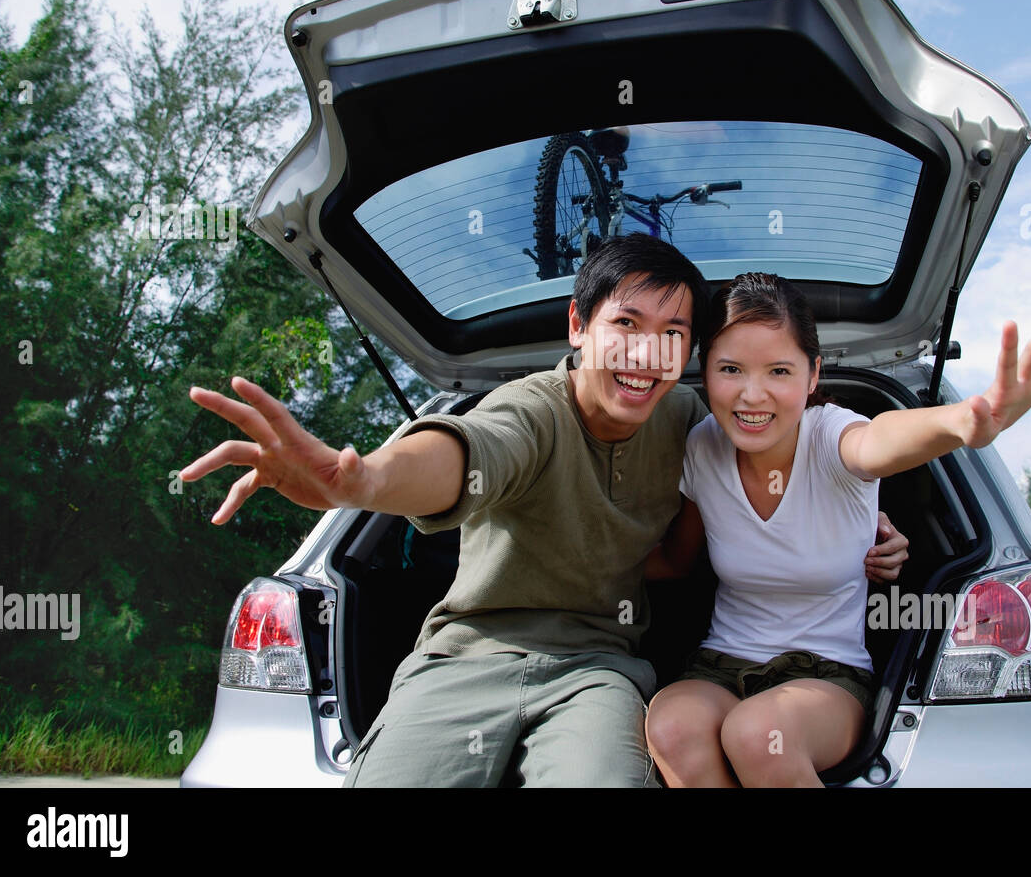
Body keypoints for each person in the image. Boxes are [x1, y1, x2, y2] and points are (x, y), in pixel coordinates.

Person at [178, 234, 911, 787]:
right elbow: (465, 456)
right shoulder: (528, 409)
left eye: (673, 336)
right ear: (578, 326)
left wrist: (862, 530)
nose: (647, 353)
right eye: (626, 323)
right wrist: (364, 482)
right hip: (467, 656)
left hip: (600, 667)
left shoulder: (693, 420)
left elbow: (795, 450)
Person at [644, 272, 1031, 787]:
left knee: (758, 733)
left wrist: (959, 422)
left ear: (812, 375)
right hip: (721, 663)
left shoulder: (833, 433)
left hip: (826, 676)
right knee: (671, 726)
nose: (752, 394)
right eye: (730, 369)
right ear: (706, 371)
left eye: (778, 371)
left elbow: (879, 440)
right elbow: (679, 558)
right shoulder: (702, 446)